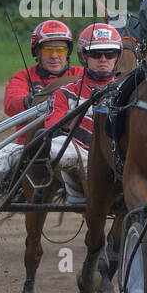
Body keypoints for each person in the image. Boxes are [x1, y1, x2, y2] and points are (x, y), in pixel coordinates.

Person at [0, 20, 83, 200]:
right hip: (28, 144)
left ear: (68, 53)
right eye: (48, 50)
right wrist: (28, 101)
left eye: (61, 50)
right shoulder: (24, 77)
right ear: (37, 53)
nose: (55, 56)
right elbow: (11, 103)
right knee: (6, 155)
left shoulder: (80, 74)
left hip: (75, 142)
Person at [39, 23, 123, 203]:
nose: (103, 59)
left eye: (110, 54)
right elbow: (53, 126)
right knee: (60, 144)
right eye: (95, 54)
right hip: (79, 157)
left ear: (117, 57)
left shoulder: (128, 94)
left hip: (118, 160)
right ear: (84, 56)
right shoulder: (64, 93)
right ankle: (40, 156)